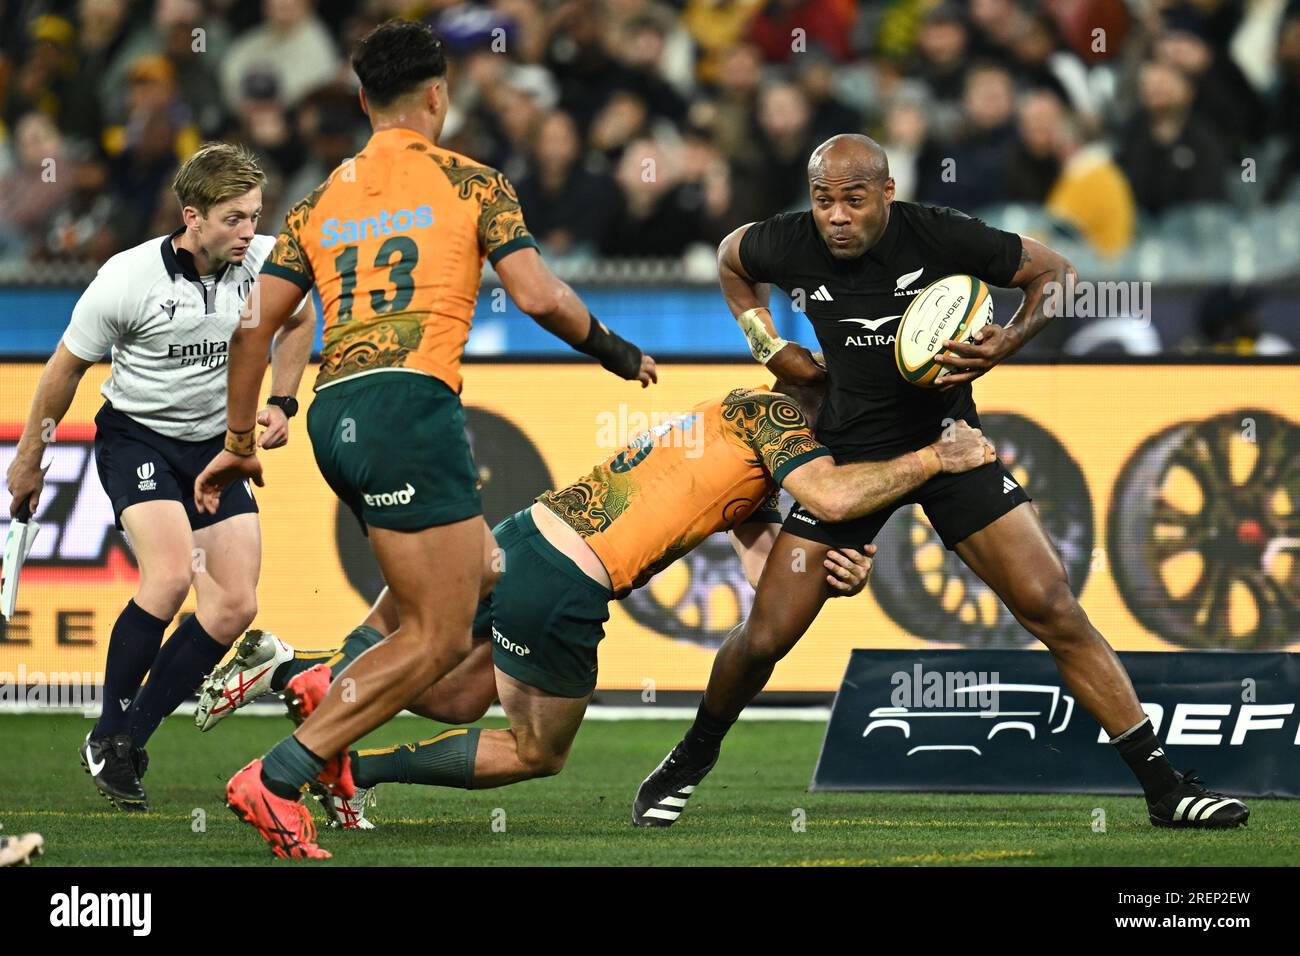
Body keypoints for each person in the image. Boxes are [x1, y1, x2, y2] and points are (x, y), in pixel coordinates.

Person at [633, 133, 1249, 831]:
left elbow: (1058, 276)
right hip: (849, 458)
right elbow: (729, 259)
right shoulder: (786, 240)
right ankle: (691, 755)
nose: (836, 216)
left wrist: (1008, 341)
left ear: (887, 194)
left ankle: (1165, 788)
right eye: (823, 200)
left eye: (854, 200)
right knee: (767, 636)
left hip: (951, 445)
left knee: (1053, 607)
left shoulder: (942, 234)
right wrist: (768, 344)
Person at [192, 20, 656, 859]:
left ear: (365, 101)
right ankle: (281, 775)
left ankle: (320, 681)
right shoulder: (473, 183)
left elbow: (255, 328)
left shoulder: (319, 199)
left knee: (481, 574)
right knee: (441, 640)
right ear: (439, 95)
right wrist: (617, 353)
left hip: (335, 411)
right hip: (412, 407)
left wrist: (239, 438)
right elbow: (542, 298)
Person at [196, 377, 995, 829]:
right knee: (538, 751)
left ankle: (300, 671)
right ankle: (355, 768)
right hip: (566, 584)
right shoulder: (778, 414)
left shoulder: (738, 421)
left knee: (455, 684)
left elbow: (767, 573)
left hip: (525, 536)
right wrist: (935, 456)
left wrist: (827, 575)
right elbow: (828, 485)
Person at [4, 142, 315, 811]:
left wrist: (284, 401)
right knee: (171, 576)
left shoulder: (262, 264)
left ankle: (123, 742)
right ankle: (111, 731)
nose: (248, 231)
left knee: (234, 605)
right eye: (233, 218)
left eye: (255, 216)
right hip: (136, 437)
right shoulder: (127, 278)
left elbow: (301, 319)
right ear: (192, 216)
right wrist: (29, 457)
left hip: (215, 443)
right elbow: (65, 369)